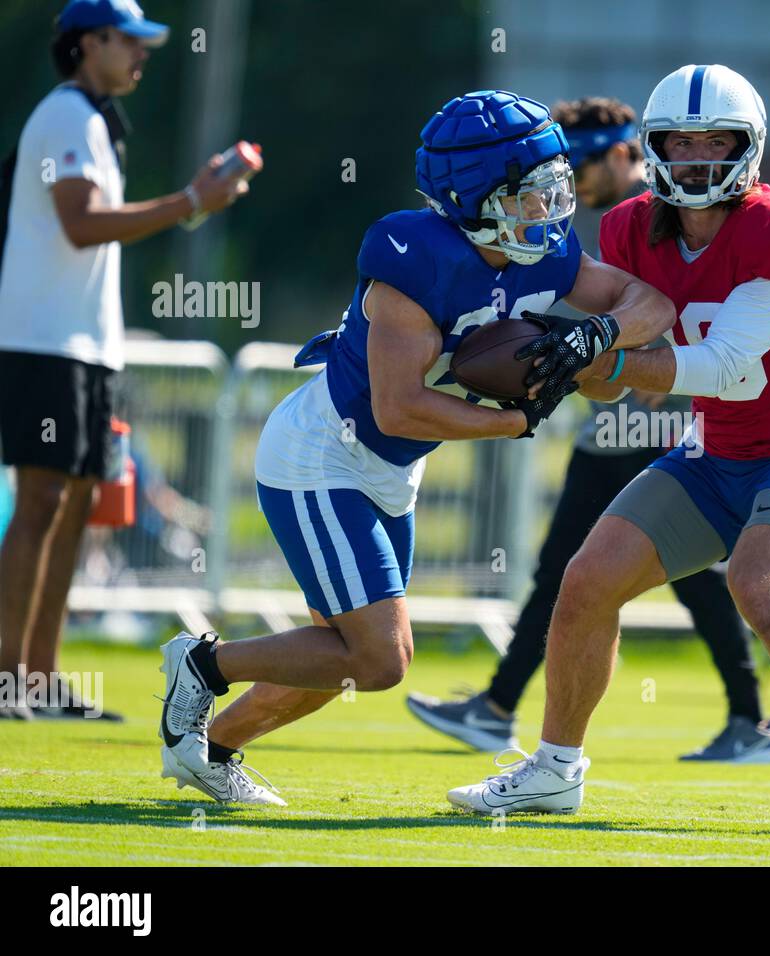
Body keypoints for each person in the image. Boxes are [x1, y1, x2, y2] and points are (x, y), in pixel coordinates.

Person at [152, 90, 676, 804]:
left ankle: (211, 750)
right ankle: (204, 665)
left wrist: (597, 334)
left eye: (556, 184)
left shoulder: (546, 252)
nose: (552, 205)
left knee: (345, 654)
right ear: (477, 194)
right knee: (380, 659)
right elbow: (400, 409)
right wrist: (513, 421)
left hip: (388, 474)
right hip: (323, 458)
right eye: (533, 190)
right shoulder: (416, 257)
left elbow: (651, 303)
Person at [447, 65, 770, 839]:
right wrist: (561, 361)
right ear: (651, 148)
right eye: (678, 143)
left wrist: (603, 357)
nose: (694, 159)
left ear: (747, 148)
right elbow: (624, 383)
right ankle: (555, 771)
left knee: (762, 587)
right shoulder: (628, 227)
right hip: (715, 452)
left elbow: (727, 366)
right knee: (585, 580)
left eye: (712, 142)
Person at [405, 96, 770, 764]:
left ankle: (751, 720)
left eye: (578, 162)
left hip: (669, 425)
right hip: (608, 425)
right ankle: (499, 707)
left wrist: (625, 369)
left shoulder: (683, 212)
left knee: (686, 576)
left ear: (623, 154)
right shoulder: (602, 225)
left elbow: (694, 318)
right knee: (568, 572)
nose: (568, 178)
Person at [0, 0, 248, 721]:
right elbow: (81, 225)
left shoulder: (96, 121)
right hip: (40, 340)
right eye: (129, 41)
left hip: (82, 346)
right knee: (43, 499)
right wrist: (190, 201)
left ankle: (38, 683)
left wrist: (194, 203)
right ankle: (8, 677)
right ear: (86, 44)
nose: (142, 54)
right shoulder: (67, 115)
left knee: (78, 506)